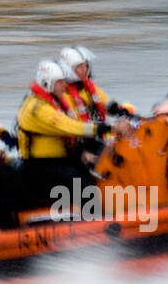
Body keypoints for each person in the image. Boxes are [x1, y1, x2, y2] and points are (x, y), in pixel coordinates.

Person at [15, 60, 112, 208]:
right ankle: (94, 223)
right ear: (48, 83)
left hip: (60, 159)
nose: (65, 85)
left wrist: (82, 151)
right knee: (85, 187)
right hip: (40, 166)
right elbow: (68, 126)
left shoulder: (52, 101)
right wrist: (101, 128)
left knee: (97, 173)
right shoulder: (37, 109)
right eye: (60, 82)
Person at [58, 45, 135, 125]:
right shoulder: (63, 94)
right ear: (68, 70)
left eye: (86, 65)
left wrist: (117, 110)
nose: (85, 70)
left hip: (97, 129)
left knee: (129, 108)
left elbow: (105, 101)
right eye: (80, 67)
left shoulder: (87, 86)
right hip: (81, 132)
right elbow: (72, 123)